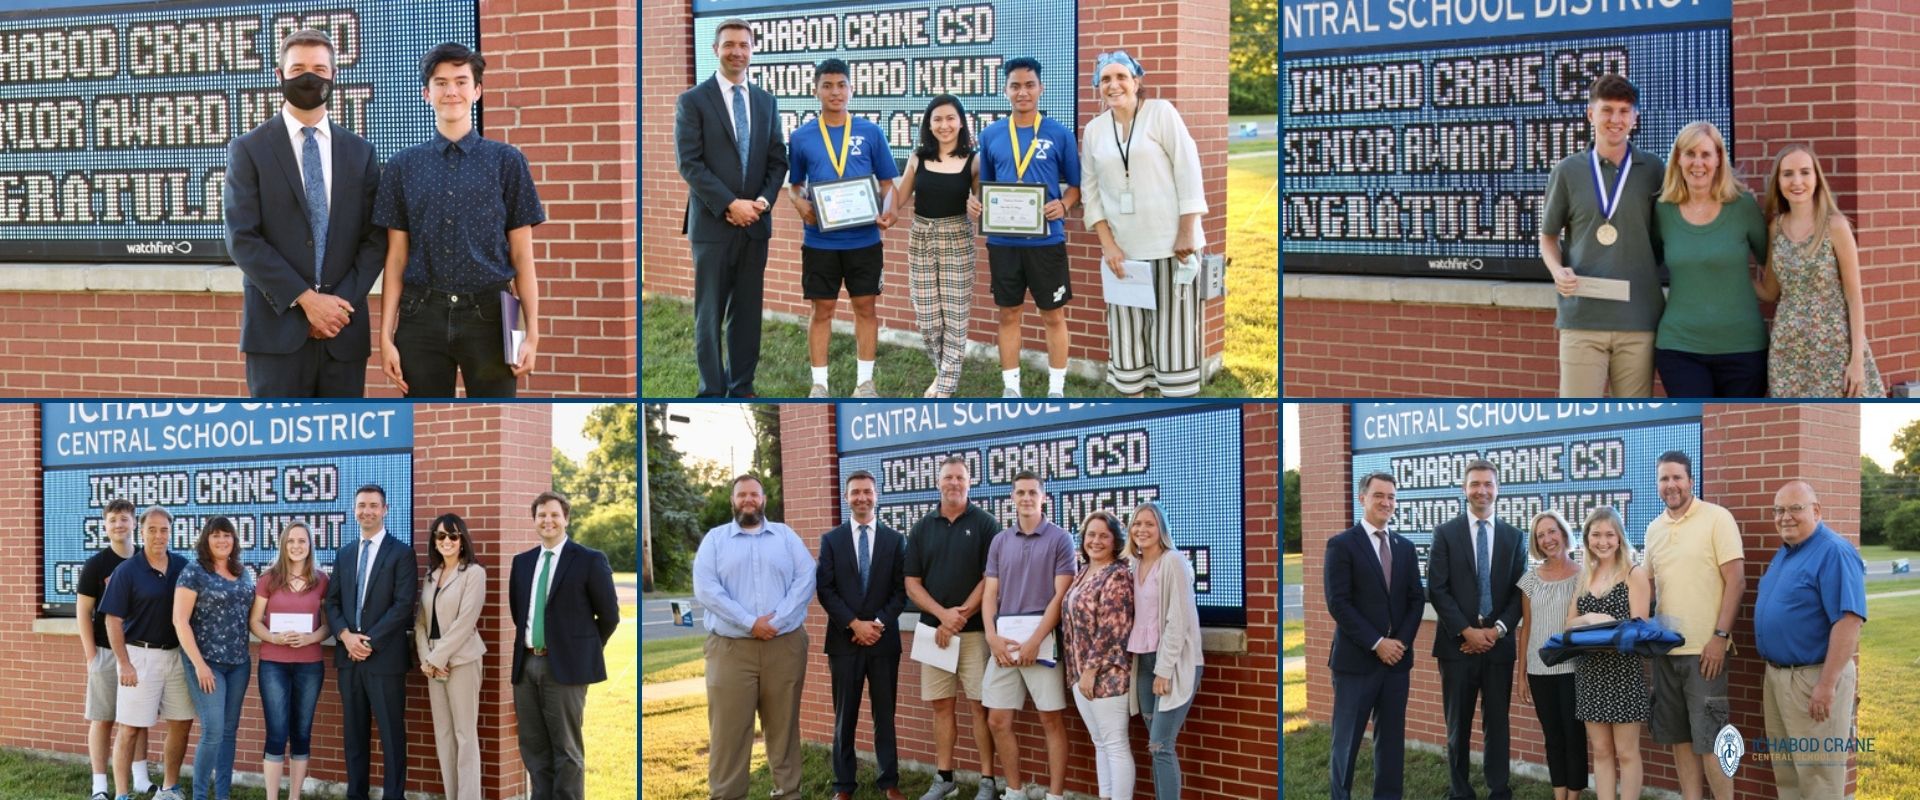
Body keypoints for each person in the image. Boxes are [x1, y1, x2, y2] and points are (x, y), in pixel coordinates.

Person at [376, 42, 546, 397]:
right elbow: (395, 258)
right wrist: (385, 336)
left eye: (460, 81)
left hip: (494, 315)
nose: (451, 90)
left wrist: (532, 332)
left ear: (477, 90)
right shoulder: (402, 166)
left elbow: (522, 256)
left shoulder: (507, 162)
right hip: (420, 315)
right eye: (440, 83)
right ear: (427, 93)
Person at [223, 28, 385, 397]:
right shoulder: (248, 150)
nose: (308, 77)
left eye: (318, 68)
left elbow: (374, 239)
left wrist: (336, 309)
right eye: (297, 69)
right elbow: (242, 238)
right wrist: (307, 301)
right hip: (276, 335)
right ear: (279, 76)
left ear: (333, 76)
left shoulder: (361, 153)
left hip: (343, 334)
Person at [1080, 50, 1207, 397]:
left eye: (1121, 76)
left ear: (1137, 81)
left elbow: (1189, 170)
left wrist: (1187, 231)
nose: (1114, 84)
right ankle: (1133, 390)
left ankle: (1175, 395)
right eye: (1105, 79)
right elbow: (1091, 194)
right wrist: (1108, 245)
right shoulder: (1094, 131)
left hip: (1171, 245)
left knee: (1173, 332)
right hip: (1124, 252)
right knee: (1127, 333)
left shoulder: (1161, 114)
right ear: (1097, 86)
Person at [675, 18, 787, 397]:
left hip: (755, 224)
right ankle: (711, 389)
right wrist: (729, 204)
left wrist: (762, 202)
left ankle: (742, 387)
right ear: (715, 50)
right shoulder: (693, 101)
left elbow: (777, 159)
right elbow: (689, 163)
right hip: (712, 226)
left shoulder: (766, 102)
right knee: (709, 316)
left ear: (752, 50)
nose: (737, 51)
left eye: (744, 45)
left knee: (747, 314)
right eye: (729, 45)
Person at [1539, 73, 1665, 397]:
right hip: (1582, 319)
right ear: (1591, 114)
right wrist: (1557, 271)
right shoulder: (1567, 171)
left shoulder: (1654, 169)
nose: (1615, 119)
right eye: (1607, 110)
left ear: (1635, 117)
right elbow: (1548, 237)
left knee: (1634, 417)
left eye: (1624, 111)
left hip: (1638, 320)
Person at [693, 476, 814, 800]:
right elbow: (706, 588)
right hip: (731, 650)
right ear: (733, 501)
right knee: (729, 734)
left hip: (784, 646)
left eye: (754, 494)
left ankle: (788, 793)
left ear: (764, 499)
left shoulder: (786, 537)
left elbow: (806, 578)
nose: (748, 500)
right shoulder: (716, 540)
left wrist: (776, 620)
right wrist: (750, 623)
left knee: (784, 730)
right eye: (742, 495)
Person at [786, 58, 899, 398]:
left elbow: (887, 184)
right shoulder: (802, 137)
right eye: (827, 85)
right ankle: (819, 385)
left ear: (851, 89)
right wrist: (798, 203)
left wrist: (889, 212)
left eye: (841, 85)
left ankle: (865, 383)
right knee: (822, 310)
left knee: (866, 308)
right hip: (820, 241)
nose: (835, 92)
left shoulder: (870, 132)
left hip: (863, 240)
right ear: (816, 90)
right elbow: (795, 185)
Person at [970, 57, 1081, 398]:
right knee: (1008, 313)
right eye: (1015, 86)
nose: (1023, 92)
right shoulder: (991, 135)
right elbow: (985, 186)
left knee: (1053, 314)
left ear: (1041, 89)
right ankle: (1010, 388)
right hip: (1004, 242)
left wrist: (1063, 204)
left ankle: (1057, 389)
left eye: (1029, 85)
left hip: (1046, 241)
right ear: (1006, 91)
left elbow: (1076, 187)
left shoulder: (1059, 134)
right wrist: (975, 203)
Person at [1754, 481, 1866, 798]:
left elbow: (1849, 621)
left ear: (1816, 511)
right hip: (1779, 677)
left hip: (1813, 679)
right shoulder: (1787, 552)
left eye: (1795, 508)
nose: (1784, 517)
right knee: (1788, 774)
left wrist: (1827, 685)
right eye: (1778, 510)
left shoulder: (1834, 552)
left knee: (1818, 778)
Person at [1642, 450, 1743, 800]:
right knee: (1680, 739)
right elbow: (1648, 588)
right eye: (1664, 479)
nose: (1670, 485)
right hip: (1666, 653)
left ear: (1690, 481)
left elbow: (1736, 581)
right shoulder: (1654, 529)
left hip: (1705, 652)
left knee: (1712, 739)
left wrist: (1719, 637)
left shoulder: (1717, 518)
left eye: (1676, 478)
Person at [511, 491, 621, 800]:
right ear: (534, 520)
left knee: (567, 749)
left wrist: (580, 652)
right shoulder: (522, 563)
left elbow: (609, 616)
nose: (548, 520)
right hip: (527, 665)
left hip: (567, 669)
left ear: (566, 519)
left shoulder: (588, 560)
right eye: (542, 515)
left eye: (554, 515)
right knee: (533, 747)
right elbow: (519, 614)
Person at [905, 455, 1003, 800]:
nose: (954, 483)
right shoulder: (921, 528)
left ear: (969, 482)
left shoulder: (986, 524)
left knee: (980, 706)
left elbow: (990, 578)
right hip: (933, 633)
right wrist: (942, 616)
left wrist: (958, 616)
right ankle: (944, 777)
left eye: (960, 478)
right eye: (948, 478)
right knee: (941, 706)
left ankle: (988, 781)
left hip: (975, 632)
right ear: (938, 482)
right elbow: (912, 583)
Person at [1427, 459, 1525, 800]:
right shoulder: (1445, 533)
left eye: (1488, 484)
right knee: (1458, 726)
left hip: (1498, 647)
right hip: (1456, 648)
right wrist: (1467, 632)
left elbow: (1518, 592)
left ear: (1497, 489)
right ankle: (1460, 791)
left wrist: (1495, 631)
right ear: (1464, 489)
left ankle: (1499, 789)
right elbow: (1437, 588)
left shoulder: (1514, 537)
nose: (1481, 490)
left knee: (1497, 724)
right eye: (1475, 484)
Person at [1652, 121, 1770, 397]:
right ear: (1678, 159)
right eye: (1690, 154)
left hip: (1744, 349)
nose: (1698, 163)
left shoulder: (1743, 206)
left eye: (1706, 154)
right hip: (1680, 349)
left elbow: (1772, 262)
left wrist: (1761, 289)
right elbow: (1647, 264)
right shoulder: (1662, 210)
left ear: (1719, 159)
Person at [1325, 472, 1423, 800]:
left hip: (1396, 665)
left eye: (1392, 497)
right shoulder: (1342, 545)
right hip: (1355, 663)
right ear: (1362, 498)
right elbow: (1339, 603)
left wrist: (1399, 644)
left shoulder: (1405, 548)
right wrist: (1378, 643)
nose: (1386, 502)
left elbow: (1415, 600)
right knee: (1346, 743)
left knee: (1392, 744)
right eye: (1379, 495)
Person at [1759, 144, 1886, 397]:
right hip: (1789, 352)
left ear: (1816, 178)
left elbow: (1854, 296)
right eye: (1788, 174)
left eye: (1805, 172)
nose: (1797, 181)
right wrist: (1728, 275)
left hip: (1835, 349)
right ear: (1778, 181)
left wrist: (1857, 361)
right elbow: (1770, 291)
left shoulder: (1835, 226)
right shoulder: (1775, 228)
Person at [981, 471, 1076, 800]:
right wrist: (991, 637)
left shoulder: (1060, 539)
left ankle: (1055, 795)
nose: (1026, 498)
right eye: (1020, 492)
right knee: (997, 720)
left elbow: (1060, 596)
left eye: (1032, 492)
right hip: (1004, 642)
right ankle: (1015, 791)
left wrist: (1036, 639)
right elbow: (990, 594)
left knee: (1050, 720)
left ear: (1043, 497)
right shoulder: (1000, 541)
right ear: (1012, 497)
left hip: (1042, 642)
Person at [814, 470, 909, 800]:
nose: (862, 498)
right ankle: (843, 785)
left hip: (884, 643)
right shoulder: (832, 540)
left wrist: (877, 624)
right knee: (845, 717)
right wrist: (854, 624)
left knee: (885, 715)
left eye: (867, 491)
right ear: (846, 497)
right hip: (844, 643)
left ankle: (889, 782)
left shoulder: (896, 541)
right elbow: (825, 589)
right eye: (855, 492)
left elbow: (901, 591)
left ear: (876, 495)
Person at [321, 484, 417, 800]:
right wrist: (346, 637)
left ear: (385, 510)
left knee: (391, 735)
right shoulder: (345, 553)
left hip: (385, 660)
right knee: (354, 736)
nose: (367, 511)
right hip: (349, 660)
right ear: (354, 510)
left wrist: (369, 641)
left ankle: (393, 796)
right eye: (362, 505)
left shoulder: (402, 553)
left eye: (374, 505)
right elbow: (331, 603)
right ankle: (356, 795)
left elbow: (403, 606)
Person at [100, 506, 194, 800]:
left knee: (181, 722)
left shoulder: (182, 566)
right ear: (141, 532)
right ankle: (123, 794)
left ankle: (169, 787)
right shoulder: (126, 571)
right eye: (151, 529)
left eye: (164, 529)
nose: (158, 535)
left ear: (171, 532)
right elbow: (112, 620)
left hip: (176, 656)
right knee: (129, 728)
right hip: (139, 657)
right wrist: (124, 663)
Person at [891, 94, 979, 398]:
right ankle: (945, 373)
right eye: (938, 119)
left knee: (954, 321)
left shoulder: (973, 159)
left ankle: (944, 387)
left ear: (961, 122)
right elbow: (899, 199)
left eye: (951, 118)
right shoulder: (918, 157)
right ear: (929, 124)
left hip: (957, 239)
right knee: (928, 321)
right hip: (922, 238)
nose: (945, 125)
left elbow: (980, 200)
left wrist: (978, 204)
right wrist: (880, 213)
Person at [1567, 506, 1651, 800]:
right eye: (1596, 534)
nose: (1602, 541)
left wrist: (1602, 624)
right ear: (1587, 537)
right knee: (1601, 751)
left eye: (1609, 535)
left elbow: (1639, 627)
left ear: (1620, 538)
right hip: (1589, 673)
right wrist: (1592, 619)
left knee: (1627, 752)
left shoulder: (1633, 574)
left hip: (1623, 673)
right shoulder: (1584, 576)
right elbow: (1569, 625)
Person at [172, 517, 255, 800]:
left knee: (229, 731)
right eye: (216, 535)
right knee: (214, 730)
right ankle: (199, 796)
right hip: (206, 663)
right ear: (206, 539)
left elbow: (251, 617)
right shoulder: (193, 572)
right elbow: (180, 621)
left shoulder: (242, 573)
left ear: (234, 540)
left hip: (239, 663)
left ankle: (222, 795)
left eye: (227, 535)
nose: (222, 541)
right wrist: (200, 666)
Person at [248, 522, 330, 800]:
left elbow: (328, 626)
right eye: (291, 541)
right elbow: (255, 622)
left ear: (310, 546)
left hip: (310, 665)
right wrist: (274, 638)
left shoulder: (321, 581)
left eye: (302, 541)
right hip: (274, 664)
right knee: (276, 732)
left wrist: (308, 639)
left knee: (301, 733)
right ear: (283, 545)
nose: (296, 546)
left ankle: (294, 796)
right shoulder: (268, 579)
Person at [1128, 501, 1203, 799]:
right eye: (1137, 523)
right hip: (1143, 663)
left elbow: (1179, 619)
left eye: (1149, 524)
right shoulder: (1134, 565)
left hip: (1172, 664)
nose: (1142, 529)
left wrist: (1164, 669)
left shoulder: (1173, 562)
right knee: (1154, 744)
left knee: (1161, 744)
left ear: (1161, 529)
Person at [77, 499, 150, 800]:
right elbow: (83, 612)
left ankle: (142, 779)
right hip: (106, 652)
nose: (119, 524)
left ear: (134, 523)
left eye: (124, 518)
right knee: (103, 718)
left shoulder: (146, 560)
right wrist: (92, 656)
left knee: (138, 718)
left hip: (139, 651)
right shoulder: (96, 565)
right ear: (105, 526)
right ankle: (99, 785)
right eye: (113, 520)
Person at [1514, 510, 1588, 800]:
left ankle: (1574, 794)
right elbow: (1527, 628)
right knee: (1553, 736)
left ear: (1563, 533)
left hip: (1573, 668)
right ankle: (1560, 795)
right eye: (1541, 535)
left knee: (1574, 735)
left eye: (1552, 531)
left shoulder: (1583, 575)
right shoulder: (1530, 580)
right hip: (1539, 670)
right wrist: (1521, 675)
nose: (1547, 539)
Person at [1062, 510, 1135, 800]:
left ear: (1115, 540)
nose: (1096, 540)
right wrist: (1080, 674)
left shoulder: (1117, 574)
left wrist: (1090, 672)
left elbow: (1112, 629)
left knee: (1115, 744)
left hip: (1107, 677)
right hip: (1080, 675)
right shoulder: (1083, 571)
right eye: (1091, 534)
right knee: (1100, 742)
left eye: (1104, 535)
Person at [416, 514, 488, 800]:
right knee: (444, 737)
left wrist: (437, 658)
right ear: (434, 541)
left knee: (465, 736)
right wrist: (427, 660)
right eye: (441, 536)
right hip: (433, 664)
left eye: (453, 536)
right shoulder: (430, 576)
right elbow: (421, 622)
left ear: (462, 541)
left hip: (462, 660)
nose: (447, 541)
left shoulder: (473, 573)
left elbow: (465, 621)